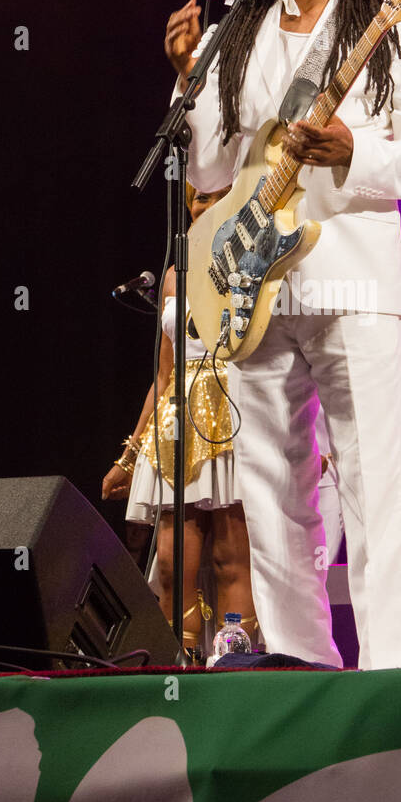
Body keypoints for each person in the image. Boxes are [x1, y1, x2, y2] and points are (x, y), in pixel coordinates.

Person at [164, 0, 401, 669]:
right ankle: (300, 664)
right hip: (255, 283)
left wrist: (351, 152)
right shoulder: (236, 25)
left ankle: (396, 671)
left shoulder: (395, 21)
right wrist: (188, 81)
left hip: (355, 279)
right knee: (271, 492)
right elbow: (215, 173)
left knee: (377, 484)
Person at [102, 188, 256, 657]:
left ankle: (237, 665)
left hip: (231, 407)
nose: (200, 206)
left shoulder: (254, 256)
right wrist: (129, 456)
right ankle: (179, 669)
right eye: (195, 198)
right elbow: (163, 375)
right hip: (177, 422)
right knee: (171, 563)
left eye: (213, 197)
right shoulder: (173, 276)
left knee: (231, 557)